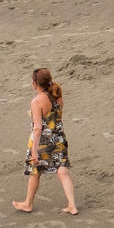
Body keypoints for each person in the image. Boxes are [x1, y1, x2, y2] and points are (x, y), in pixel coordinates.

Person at [13, 68, 77, 214]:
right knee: (63, 171)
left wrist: (34, 151)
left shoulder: (36, 101)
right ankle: (72, 205)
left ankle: (28, 203)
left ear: (35, 83)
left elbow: (37, 129)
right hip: (59, 138)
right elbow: (57, 115)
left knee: (35, 172)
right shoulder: (57, 94)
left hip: (42, 142)